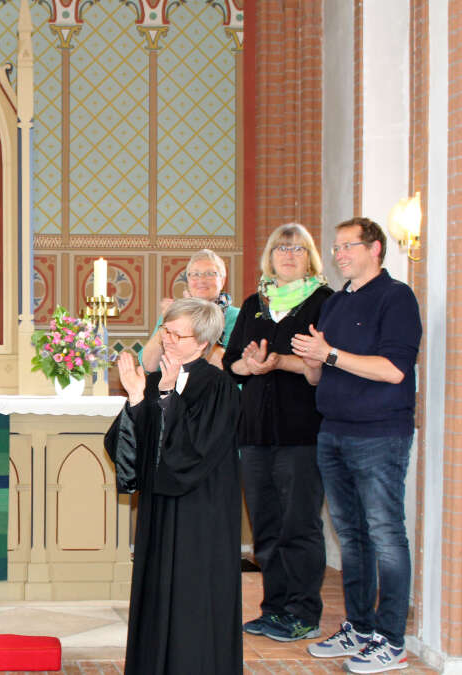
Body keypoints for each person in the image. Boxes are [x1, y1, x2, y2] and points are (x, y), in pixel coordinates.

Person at [291, 217, 421, 674]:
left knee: (386, 536)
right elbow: (320, 373)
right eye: (336, 247)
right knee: (351, 537)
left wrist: (328, 353)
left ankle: (392, 640)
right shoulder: (336, 303)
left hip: (380, 434)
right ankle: (360, 628)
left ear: (376, 249)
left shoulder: (396, 297)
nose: (340, 254)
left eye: (349, 246)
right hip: (333, 430)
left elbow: (393, 371)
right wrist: (311, 361)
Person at [105, 298, 242, 674]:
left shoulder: (219, 388)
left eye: (176, 334)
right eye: (165, 330)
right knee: (156, 596)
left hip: (201, 516)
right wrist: (136, 398)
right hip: (160, 513)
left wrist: (166, 397)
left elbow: (189, 453)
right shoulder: (151, 381)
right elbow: (125, 449)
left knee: (192, 601)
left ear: (202, 343)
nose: (166, 340)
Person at [223, 223, 333, 643]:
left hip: (301, 430)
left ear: (310, 258)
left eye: (298, 249)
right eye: (281, 248)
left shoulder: (324, 303)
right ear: (269, 257)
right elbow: (232, 361)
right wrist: (248, 367)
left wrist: (280, 363)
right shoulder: (254, 304)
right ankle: (274, 609)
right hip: (254, 431)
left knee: (299, 524)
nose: (288, 255)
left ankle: (303, 612)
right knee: (266, 524)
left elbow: (324, 371)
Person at [141, 248, 239, 371]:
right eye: (195, 274)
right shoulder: (174, 314)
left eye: (210, 274)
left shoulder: (238, 317)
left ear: (223, 280)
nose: (202, 280)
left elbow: (231, 368)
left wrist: (194, 322)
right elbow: (148, 366)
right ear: (188, 281)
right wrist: (166, 324)